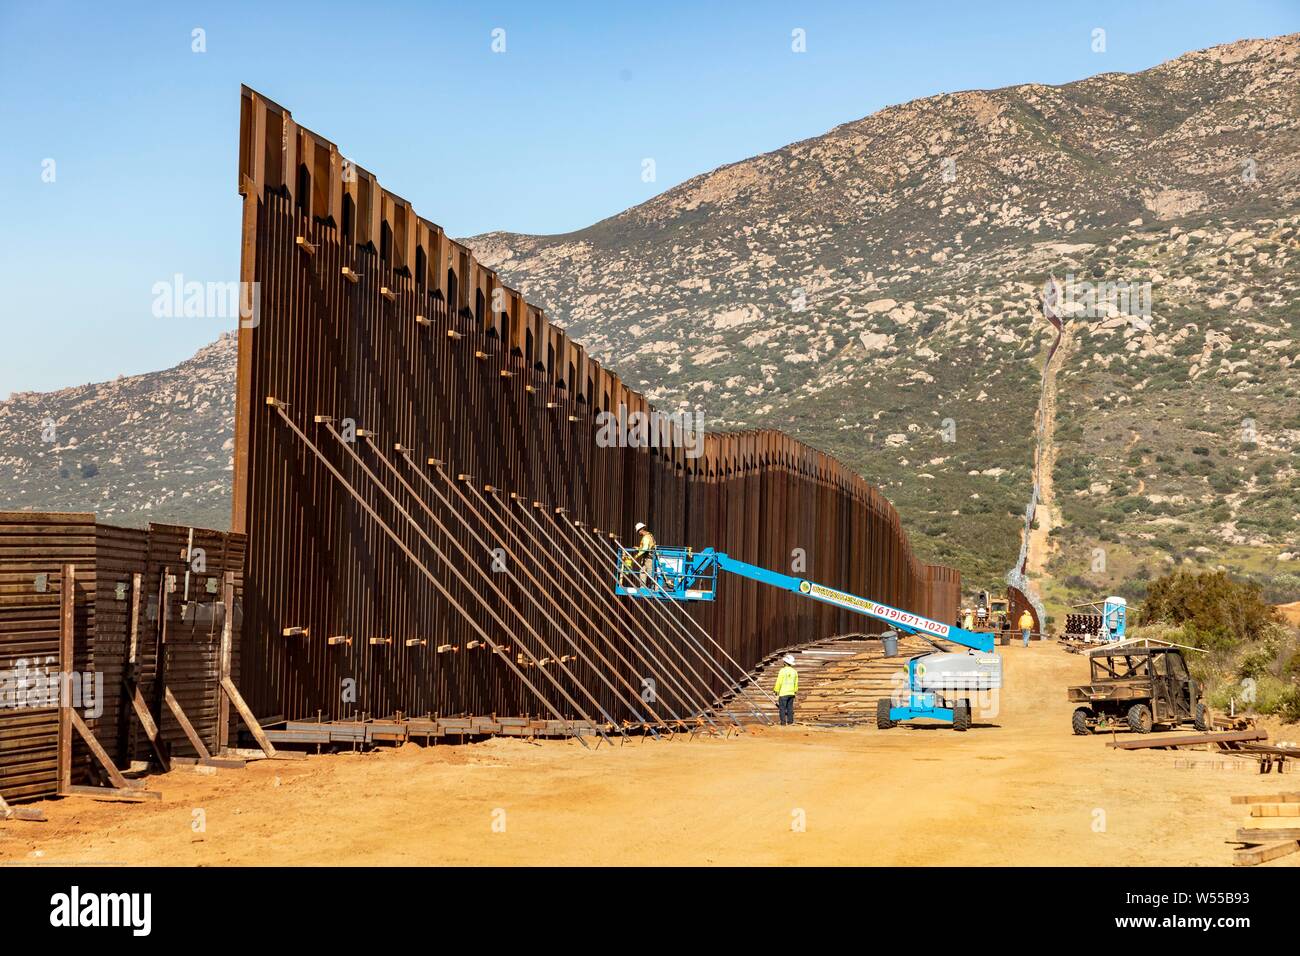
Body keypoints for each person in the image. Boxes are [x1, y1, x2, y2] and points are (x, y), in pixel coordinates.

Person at [630, 521, 657, 589]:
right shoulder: (649, 536)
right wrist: (638, 548)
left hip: (649, 559)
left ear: (641, 530)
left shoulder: (646, 537)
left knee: (650, 573)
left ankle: (655, 588)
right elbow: (645, 547)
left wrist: (636, 556)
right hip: (646, 558)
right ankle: (643, 587)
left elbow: (645, 549)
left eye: (638, 531)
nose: (638, 533)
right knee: (642, 572)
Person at [774, 654, 799, 725]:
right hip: (791, 693)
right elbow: (796, 683)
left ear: (785, 662)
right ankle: (790, 722)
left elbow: (779, 681)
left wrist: (776, 690)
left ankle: (783, 723)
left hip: (783, 693)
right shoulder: (794, 671)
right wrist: (795, 691)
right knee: (790, 708)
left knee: (782, 708)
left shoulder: (782, 671)